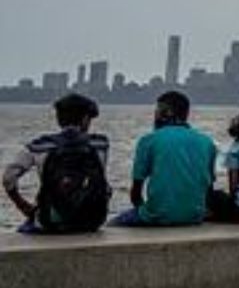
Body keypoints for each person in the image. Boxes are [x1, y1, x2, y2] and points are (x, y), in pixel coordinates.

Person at [3, 93, 111, 234]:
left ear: (59, 119)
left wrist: (22, 205)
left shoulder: (40, 146)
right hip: (92, 222)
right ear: (85, 119)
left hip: (50, 223)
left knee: (22, 232)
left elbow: (8, 177)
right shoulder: (101, 144)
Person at [114, 91, 216, 227]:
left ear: (167, 112)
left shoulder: (149, 140)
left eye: (157, 110)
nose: (154, 115)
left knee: (112, 224)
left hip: (157, 216)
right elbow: (208, 190)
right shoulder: (207, 143)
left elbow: (136, 194)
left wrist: (148, 213)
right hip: (195, 216)